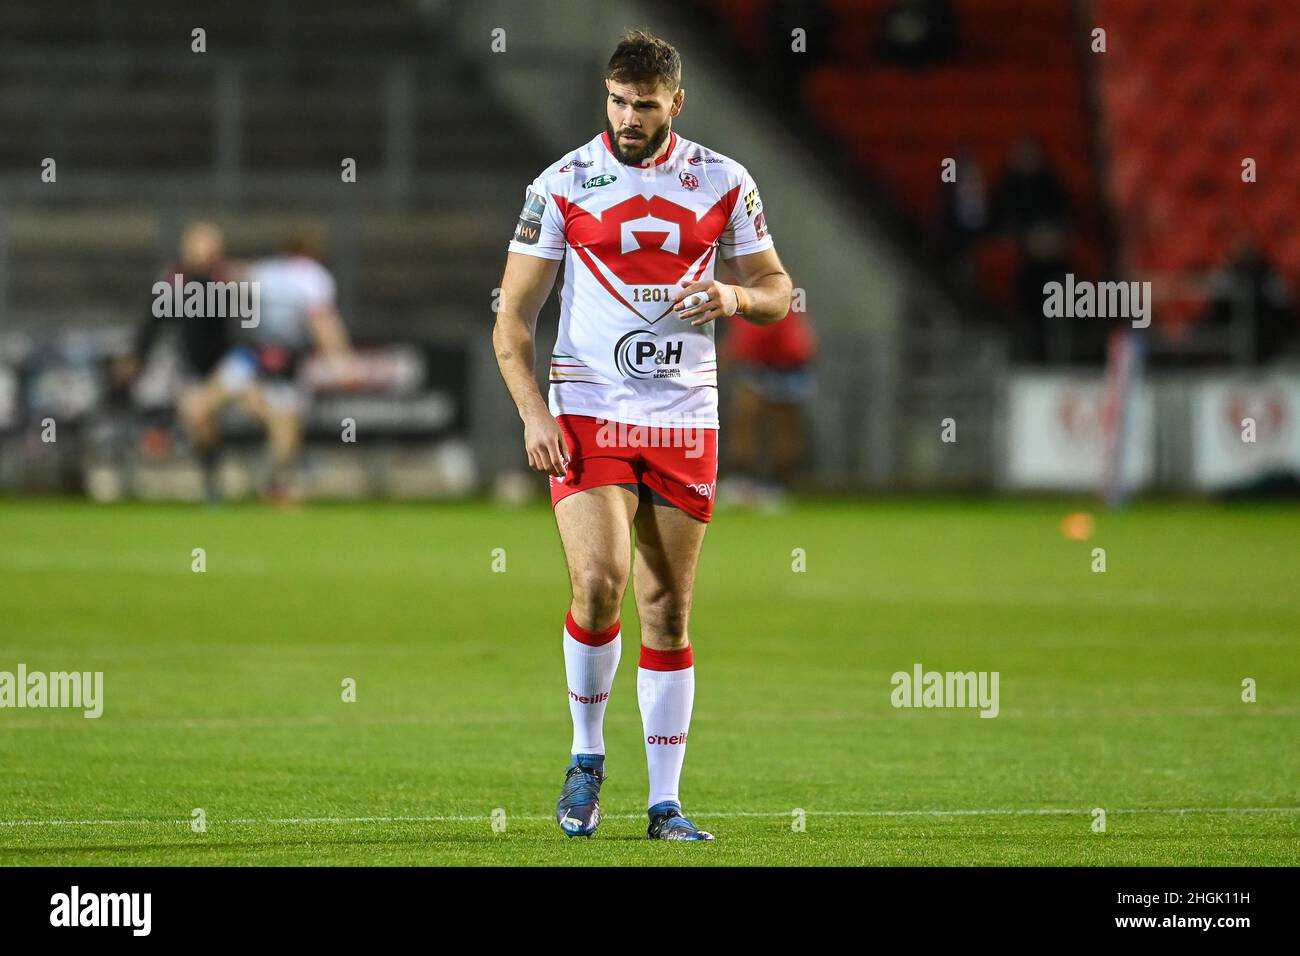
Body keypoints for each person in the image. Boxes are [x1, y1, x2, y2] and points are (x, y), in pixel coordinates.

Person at [492, 30, 792, 841]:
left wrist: (733, 299)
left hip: (686, 418)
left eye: (645, 105)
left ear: (676, 103)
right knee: (599, 582)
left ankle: (665, 806)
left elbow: (777, 289)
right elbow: (513, 314)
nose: (628, 118)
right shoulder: (560, 184)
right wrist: (533, 412)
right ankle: (587, 755)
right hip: (588, 409)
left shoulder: (724, 181)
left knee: (668, 609)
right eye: (618, 102)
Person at [118, 221, 237, 500]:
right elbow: (152, 324)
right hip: (193, 369)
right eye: (200, 245)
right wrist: (136, 356)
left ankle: (279, 478)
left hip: (230, 366)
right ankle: (211, 478)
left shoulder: (226, 281)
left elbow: (236, 326)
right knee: (197, 415)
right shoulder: (173, 281)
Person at [722, 302, 816, 506]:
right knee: (781, 429)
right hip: (792, 360)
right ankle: (773, 487)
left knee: (747, 422)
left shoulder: (747, 285)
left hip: (771, 362)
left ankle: (749, 483)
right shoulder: (778, 283)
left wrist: (731, 352)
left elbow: (759, 329)